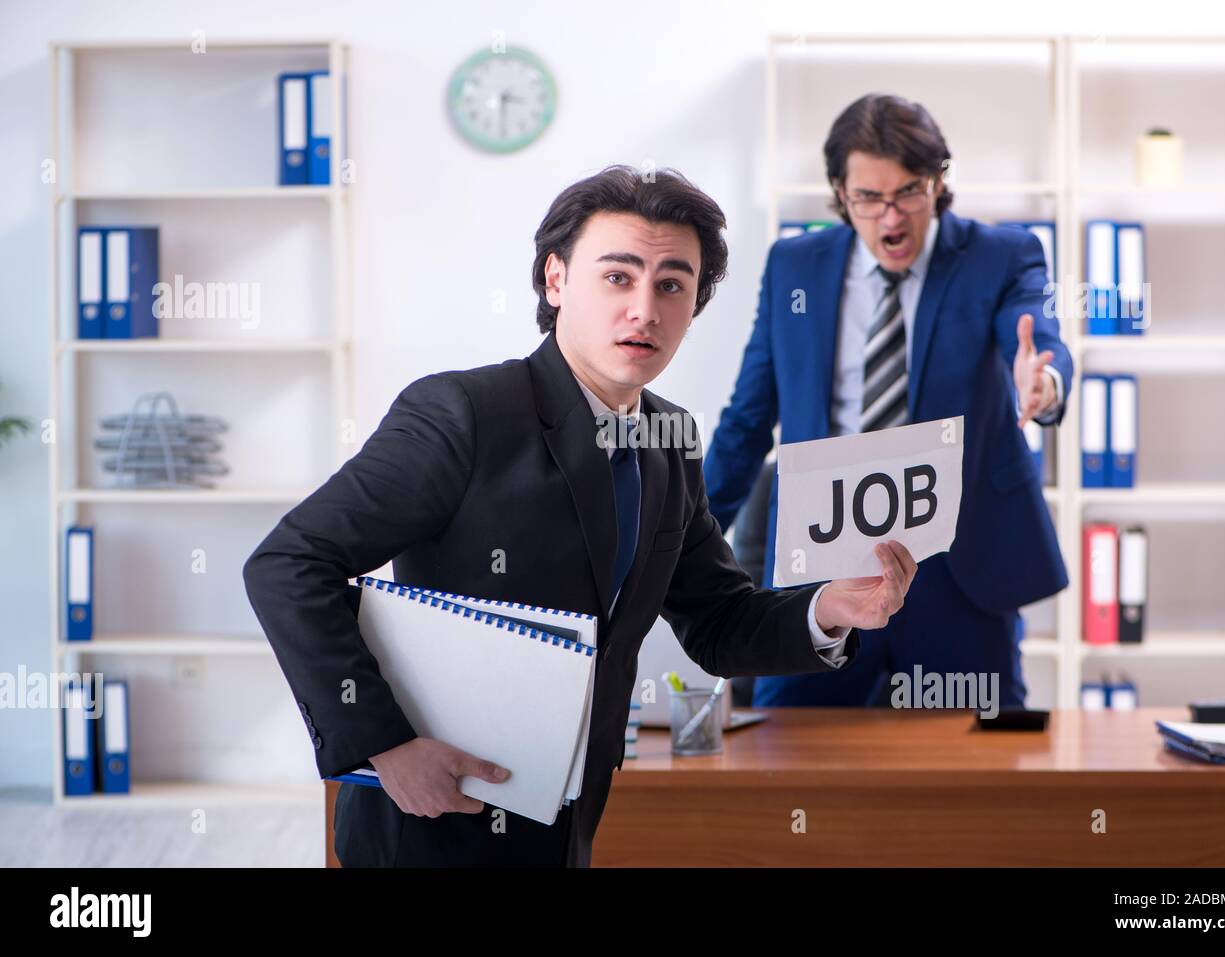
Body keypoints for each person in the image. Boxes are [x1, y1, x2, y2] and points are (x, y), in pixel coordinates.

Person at [243, 165, 918, 867]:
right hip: (431, 823)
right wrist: (383, 747)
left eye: (672, 285)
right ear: (556, 280)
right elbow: (289, 564)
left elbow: (718, 621)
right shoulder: (463, 413)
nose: (645, 310)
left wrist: (831, 610)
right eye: (618, 277)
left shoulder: (669, 440)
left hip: (567, 827)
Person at [703, 94, 1072, 710]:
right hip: (823, 572)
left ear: (939, 182)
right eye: (868, 198)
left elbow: (1036, 333)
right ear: (839, 194)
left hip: (960, 570)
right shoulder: (795, 265)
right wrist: (680, 541)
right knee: (790, 762)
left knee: (973, 773)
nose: (890, 218)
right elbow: (748, 419)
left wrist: (1045, 380)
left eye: (909, 193)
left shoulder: (1000, 254)